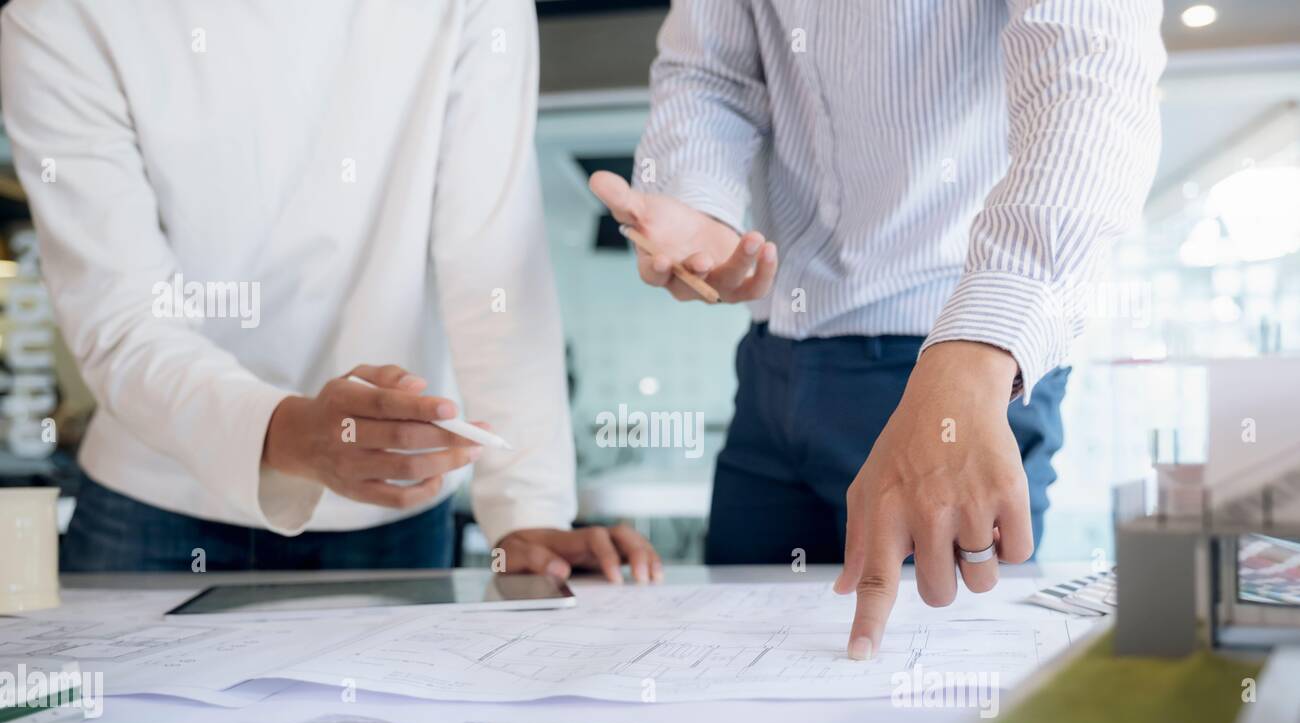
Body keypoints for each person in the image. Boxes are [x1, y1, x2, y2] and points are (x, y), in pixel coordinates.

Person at [2, 0, 659, 582]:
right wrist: (289, 435)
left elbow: (491, 267)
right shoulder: (57, 16)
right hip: (156, 498)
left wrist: (528, 511)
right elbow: (123, 321)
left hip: (394, 506)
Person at [591, 0, 1164, 655]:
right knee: (730, 655)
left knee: (946, 677)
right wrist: (700, 202)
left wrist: (979, 349)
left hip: (945, 368)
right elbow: (711, 74)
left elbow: (1089, 77)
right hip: (772, 369)